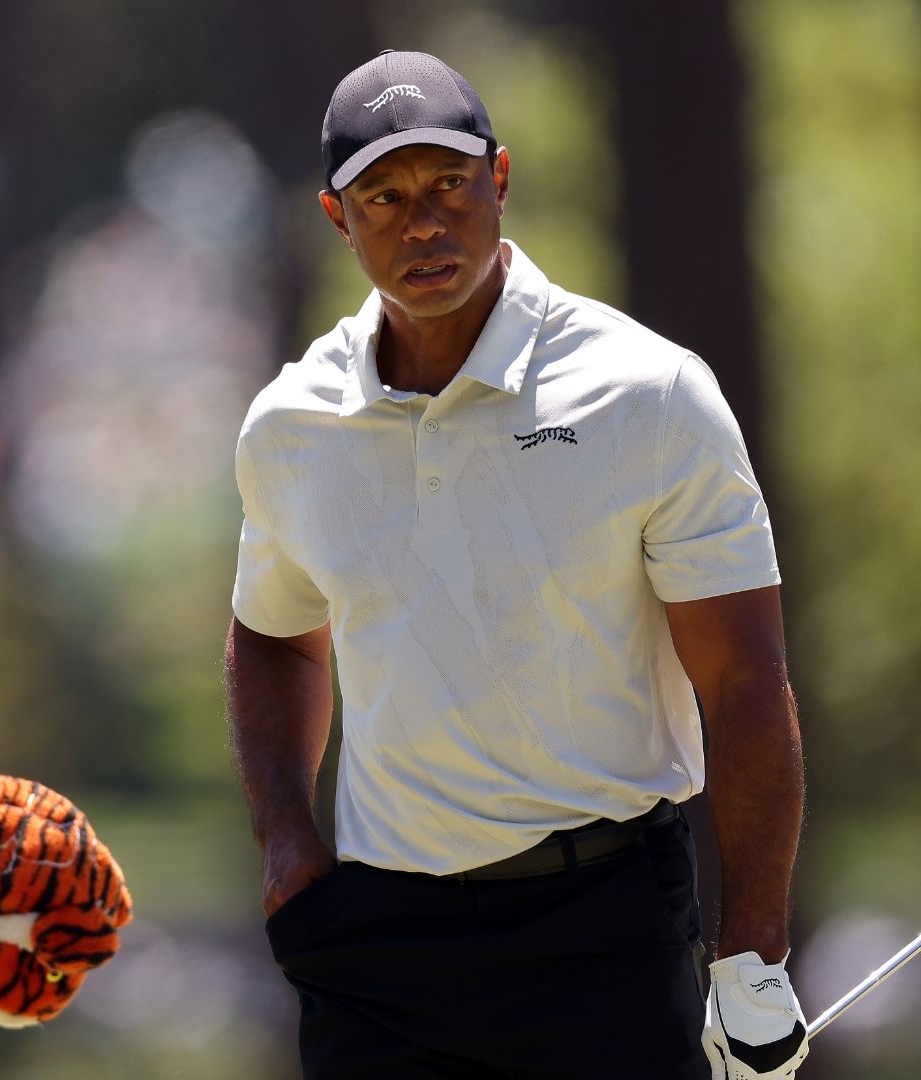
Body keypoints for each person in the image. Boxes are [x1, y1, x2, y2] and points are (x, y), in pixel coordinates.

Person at [226, 50, 808, 1079]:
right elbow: (273, 635)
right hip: (380, 938)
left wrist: (751, 951)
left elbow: (745, 681)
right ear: (337, 217)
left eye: (450, 184)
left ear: (499, 180)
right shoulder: (293, 425)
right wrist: (285, 840)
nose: (423, 223)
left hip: (602, 926)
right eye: (385, 197)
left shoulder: (650, 393)